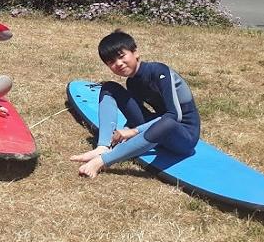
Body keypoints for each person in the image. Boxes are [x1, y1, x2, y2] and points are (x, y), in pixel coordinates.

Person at [71, 30, 200, 178]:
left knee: (168, 123)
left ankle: (101, 161)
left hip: (183, 136)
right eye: (111, 62)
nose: (118, 64)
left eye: (121, 56)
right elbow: (136, 115)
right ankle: (102, 147)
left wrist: (134, 131)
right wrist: (126, 131)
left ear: (136, 52)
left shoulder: (159, 72)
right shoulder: (132, 82)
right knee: (110, 87)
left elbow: (174, 116)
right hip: (158, 126)